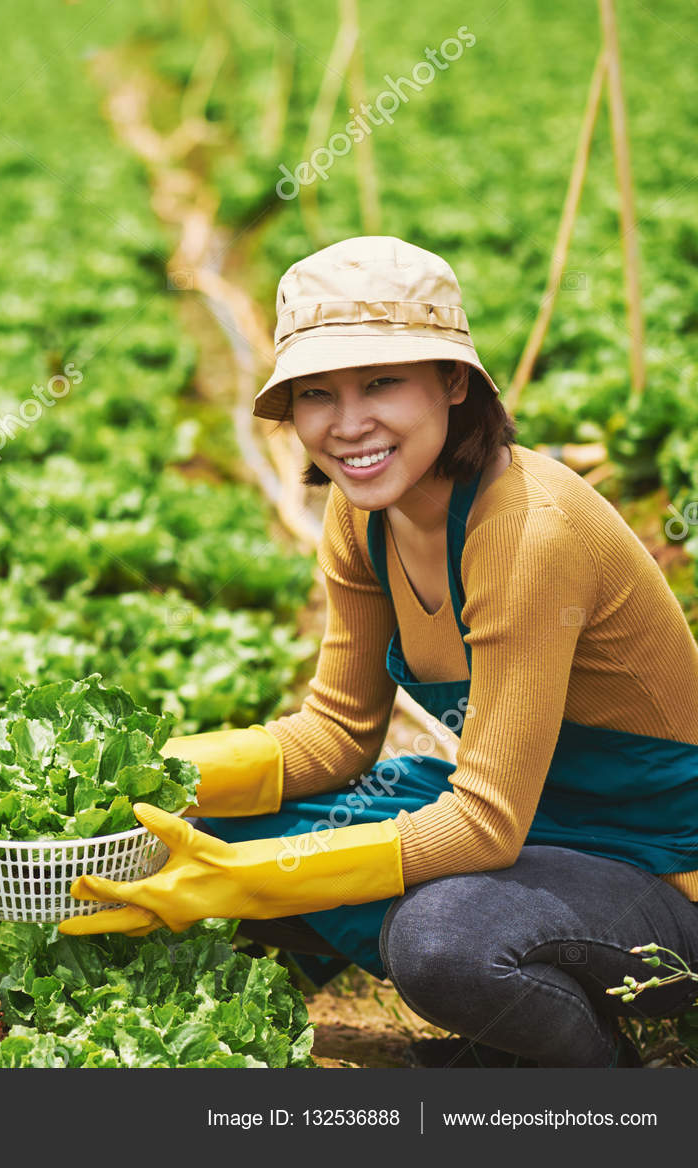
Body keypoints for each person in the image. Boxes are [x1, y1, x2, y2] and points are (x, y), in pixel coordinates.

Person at [60, 235, 698, 1068]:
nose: (349, 423)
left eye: (382, 383)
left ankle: (602, 1080)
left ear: (453, 382)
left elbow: (482, 829)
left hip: (657, 860)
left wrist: (255, 878)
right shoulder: (363, 512)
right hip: (528, 821)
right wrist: (148, 775)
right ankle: (497, 1032)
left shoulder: (529, 533)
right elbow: (335, 734)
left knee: (443, 939)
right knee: (198, 824)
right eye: (317, 393)